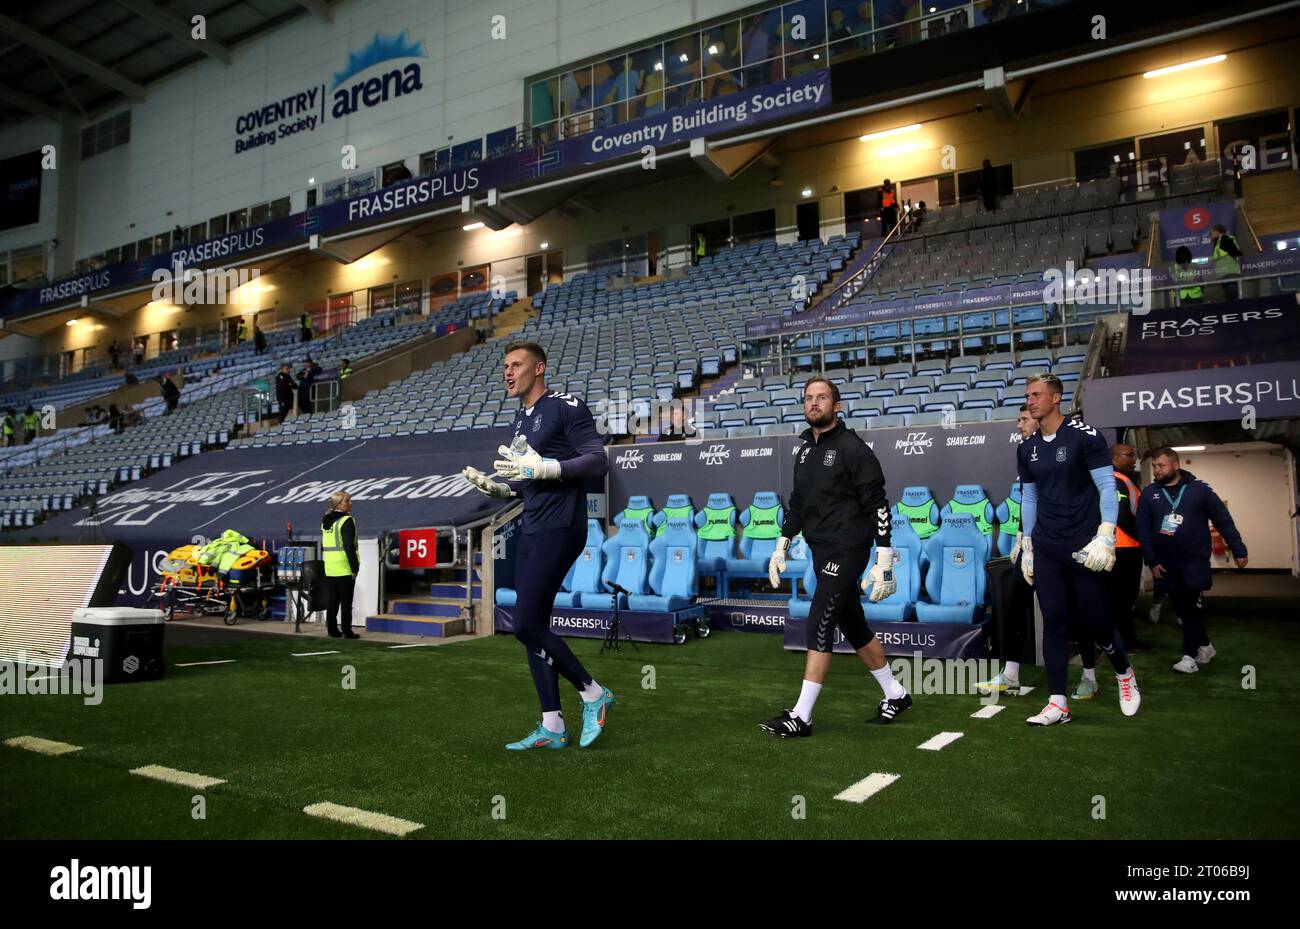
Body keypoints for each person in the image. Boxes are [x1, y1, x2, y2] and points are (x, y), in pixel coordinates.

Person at [461, 340, 615, 750]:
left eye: (516, 365)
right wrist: (503, 490)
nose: (508, 372)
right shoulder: (520, 420)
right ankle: (552, 725)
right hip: (533, 524)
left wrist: (547, 466)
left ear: (540, 368)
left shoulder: (567, 405)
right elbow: (528, 480)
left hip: (562, 526)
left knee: (525, 623)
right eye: (505, 366)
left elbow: (597, 461)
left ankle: (593, 693)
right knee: (534, 629)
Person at [760, 377, 909, 737]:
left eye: (822, 397)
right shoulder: (804, 451)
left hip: (848, 548)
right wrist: (782, 542)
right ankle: (896, 693)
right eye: (809, 398)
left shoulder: (854, 449)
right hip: (819, 548)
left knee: (819, 621)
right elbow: (798, 503)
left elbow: (878, 504)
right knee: (852, 623)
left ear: (837, 406)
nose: (814, 403)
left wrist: (884, 557)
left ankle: (802, 716)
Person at [1017, 374, 1140, 725]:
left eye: (1037, 394)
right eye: (1028, 395)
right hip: (1047, 546)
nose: (1031, 400)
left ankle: (1123, 671)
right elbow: (1029, 495)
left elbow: (1105, 486)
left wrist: (1106, 534)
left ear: (1056, 398)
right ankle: (1058, 702)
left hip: (1084, 544)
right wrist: (1027, 543)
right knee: (1054, 620)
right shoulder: (1027, 447)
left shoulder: (1085, 437)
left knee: (1097, 621)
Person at [1137, 448, 1248, 674]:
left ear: (1176, 466)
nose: (1157, 470)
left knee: (1189, 608)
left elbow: (1223, 520)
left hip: (1194, 560)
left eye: (1161, 466)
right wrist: (1151, 560)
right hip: (1165, 563)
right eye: (1155, 466)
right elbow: (1143, 530)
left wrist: (1238, 549)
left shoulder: (1200, 490)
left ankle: (1189, 658)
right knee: (1183, 608)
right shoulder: (1149, 494)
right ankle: (1205, 646)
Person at [1070, 442, 1151, 700]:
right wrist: (1143, 540)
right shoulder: (1113, 480)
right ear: (1114, 457)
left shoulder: (1121, 479)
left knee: (1120, 602)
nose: (1133, 459)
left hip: (1119, 549)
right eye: (1128, 455)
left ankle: (1123, 644)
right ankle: (1114, 650)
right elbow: (1123, 516)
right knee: (1113, 603)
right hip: (1119, 550)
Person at [977, 404, 1039, 695]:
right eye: (1018, 419)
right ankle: (1011, 673)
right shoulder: (1025, 453)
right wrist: (1022, 542)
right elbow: (1027, 505)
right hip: (1028, 548)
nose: (1019, 425)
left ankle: (1089, 673)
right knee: (1014, 606)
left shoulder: (1058, 454)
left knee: (1071, 611)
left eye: (1024, 419)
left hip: (1054, 545)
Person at [321, 491, 361, 639]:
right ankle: (347, 630)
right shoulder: (346, 520)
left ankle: (332, 630)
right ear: (339, 504)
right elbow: (349, 546)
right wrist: (354, 567)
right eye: (347, 501)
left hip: (330, 565)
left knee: (333, 600)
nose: (350, 503)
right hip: (344, 566)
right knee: (346, 602)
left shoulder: (326, 520)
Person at [1210, 223, 1242, 301]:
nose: (1210, 235)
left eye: (1211, 233)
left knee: (1234, 297)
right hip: (1223, 274)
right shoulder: (1217, 243)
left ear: (1217, 232)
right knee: (1228, 297)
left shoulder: (1227, 238)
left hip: (1231, 272)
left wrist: (1213, 258)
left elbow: (1231, 251)